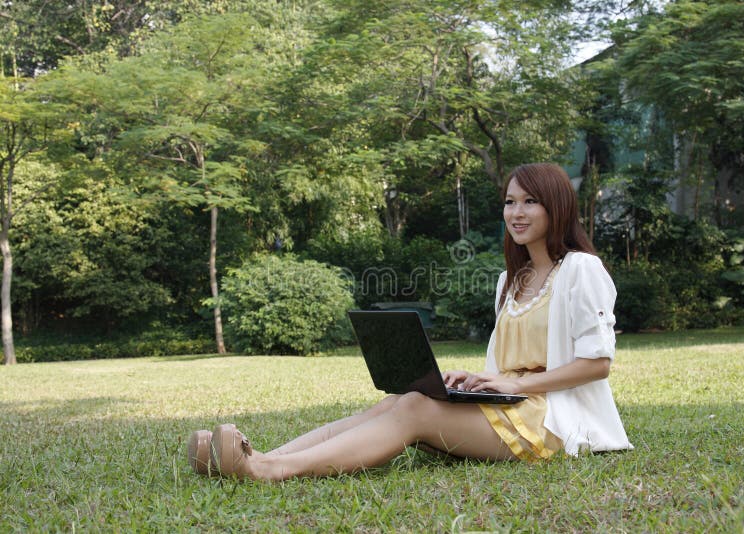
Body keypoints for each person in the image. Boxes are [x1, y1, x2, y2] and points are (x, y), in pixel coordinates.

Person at [187, 163, 633, 481]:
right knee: (400, 398)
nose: (516, 212)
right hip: (514, 406)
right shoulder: (508, 281)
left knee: (415, 409)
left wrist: (514, 386)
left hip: (553, 421)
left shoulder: (581, 269)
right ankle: (255, 456)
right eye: (510, 201)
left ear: (556, 207)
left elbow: (597, 364)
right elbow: (511, 370)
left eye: (530, 202)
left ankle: (269, 470)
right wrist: (481, 379)